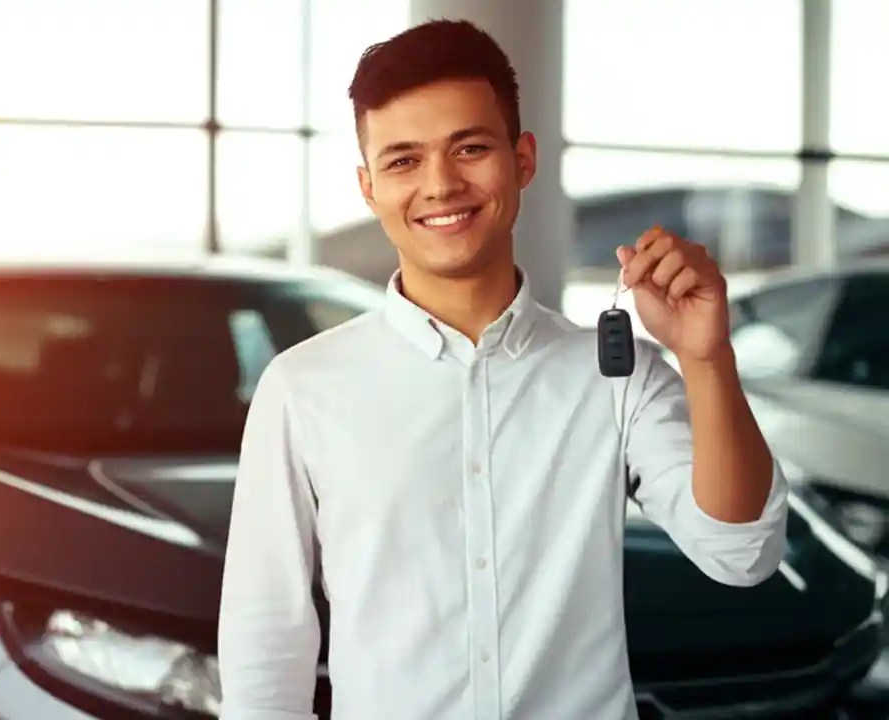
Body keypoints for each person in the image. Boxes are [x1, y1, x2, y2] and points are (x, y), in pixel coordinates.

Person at [217, 17, 788, 720]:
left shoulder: (617, 375)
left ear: (522, 159)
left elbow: (743, 553)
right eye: (403, 160)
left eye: (470, 148)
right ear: (368, 188)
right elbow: (265, 646)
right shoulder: (303, 389)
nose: (441, 184)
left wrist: (705, 356)